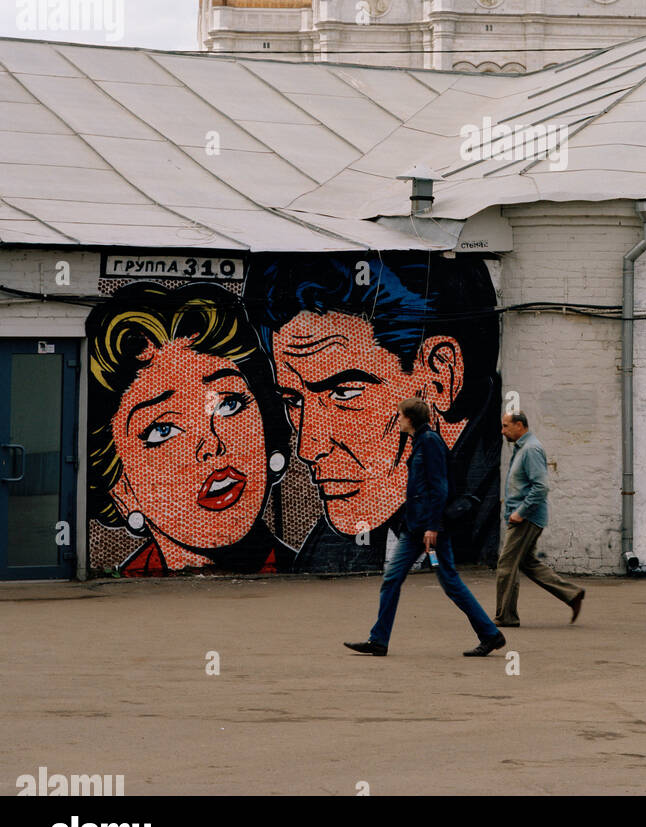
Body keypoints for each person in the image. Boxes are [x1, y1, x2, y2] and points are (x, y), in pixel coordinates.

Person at [248, 253, 501, 573]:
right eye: (294, 401)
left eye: (344, 393)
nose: (309, 448)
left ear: (440, 376)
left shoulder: (495, 514)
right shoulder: (333, 544)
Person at [86, 282, 294, 576]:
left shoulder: (308, 565)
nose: (211, 445)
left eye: (229, 405)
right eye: (163, 430)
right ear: (120, 489)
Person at [344, 398, 505, 657]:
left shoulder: (429, 442)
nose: (397, 420)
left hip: (430, 531)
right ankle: (379, 640)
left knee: (450, 583)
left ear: (410, 418)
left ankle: (490, 634)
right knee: (392, 580)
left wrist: (433, 526)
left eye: (400, 416)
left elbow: (439, 488)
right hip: (415, 528)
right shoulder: (420, 442)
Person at [494, 411, 584, 627]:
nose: (502, 431)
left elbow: (541, 487)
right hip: (524, 516)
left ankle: (506, 617)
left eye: (506, 426)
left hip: (526, 518)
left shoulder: (531, 449)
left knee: (506, 566)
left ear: (519, 425)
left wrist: (520, 512)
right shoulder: (523, 448)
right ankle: (571, 594)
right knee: (526, 562)